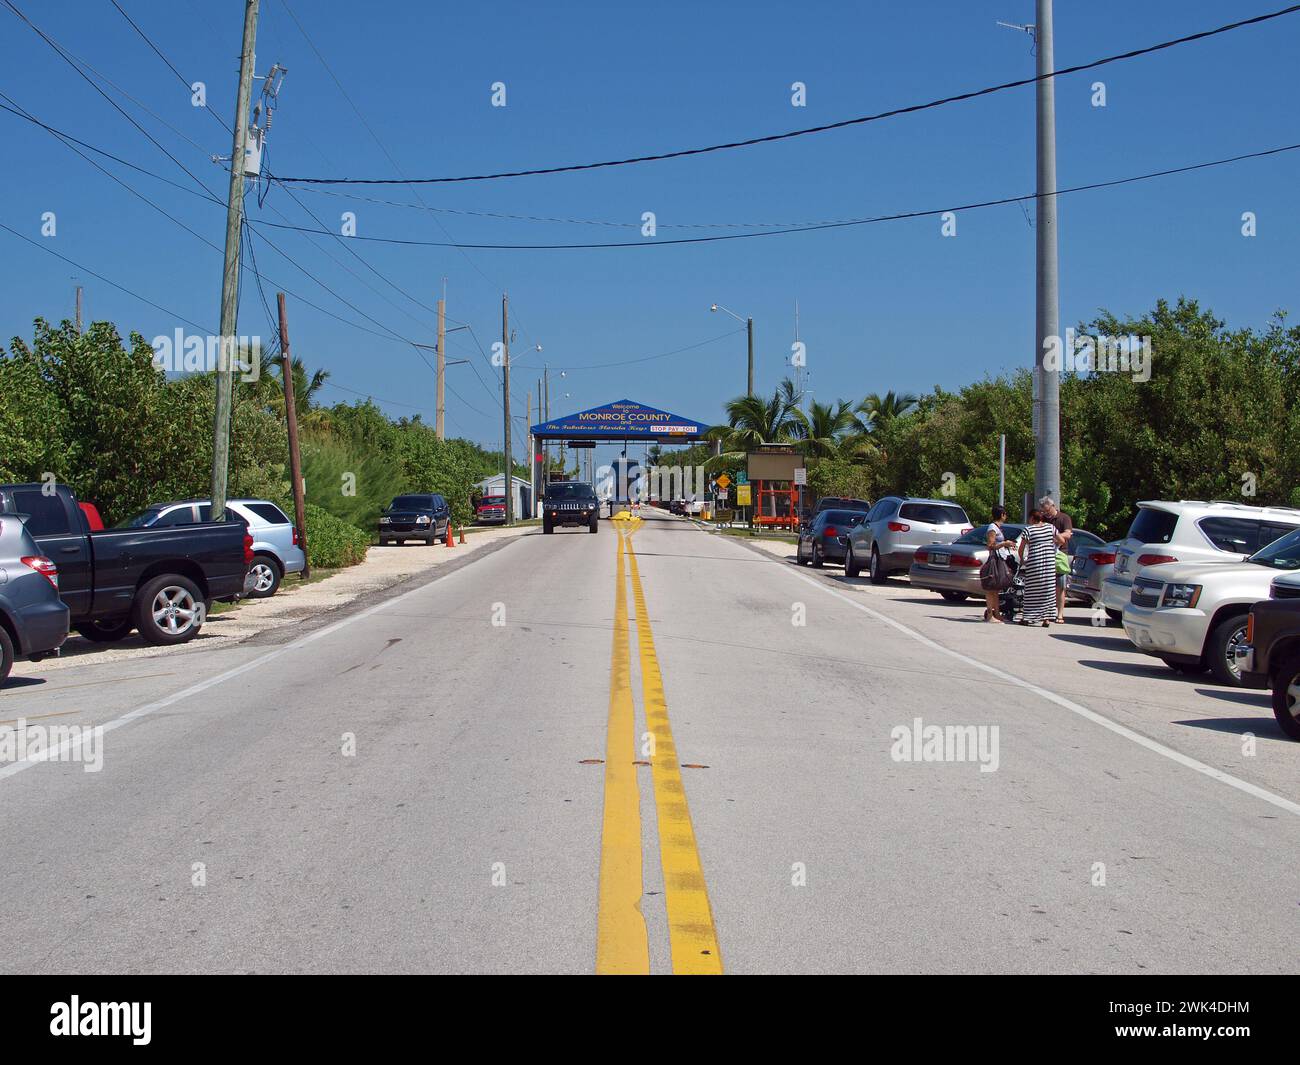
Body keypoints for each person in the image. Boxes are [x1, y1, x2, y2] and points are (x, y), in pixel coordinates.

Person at [1017, 509, 1058, 626]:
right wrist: (1051, 544)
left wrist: (1023, 559)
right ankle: (1047, 618)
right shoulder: (1051, 528)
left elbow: (1021, 548)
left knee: (1031, 590)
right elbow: (1061, 539)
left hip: (1034, 562)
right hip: (1049, 563)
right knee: (1048, 590)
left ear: (1032, 518)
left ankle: (1027, 617)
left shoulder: (1028, 530)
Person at [1040, 496, 1074, 623]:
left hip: (1060, 555)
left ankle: (1060, 614)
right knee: (1046, 585)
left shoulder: (1064, 518)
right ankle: (1046, 613)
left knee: (1060, 586)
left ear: (1052, 506)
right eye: (1043, 511)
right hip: (1045, 554)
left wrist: (1054, 536)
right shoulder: (1043, 519)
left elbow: (1068, 534)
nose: (1045, 514)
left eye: (1047, 510)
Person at [982, 505, 1015, 623]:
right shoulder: (992, 528)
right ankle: (990, 614)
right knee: (991, 587)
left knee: (996, 588)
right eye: (1005, 514)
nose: (1006, 516)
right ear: (1002, 515)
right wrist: (1004, 544)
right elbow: (990, 545)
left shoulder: (997, 528)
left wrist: (1007, 544)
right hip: (994, 559)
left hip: (1000, 558)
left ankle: (997, 614)